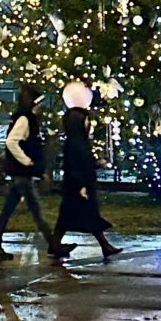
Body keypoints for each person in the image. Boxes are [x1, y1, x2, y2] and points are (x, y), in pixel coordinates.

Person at [0, 85, 62, 260]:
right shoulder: (25, 120)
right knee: (36, 210)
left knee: (8, 211)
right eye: (38, 103)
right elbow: (12, 142)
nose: (40, 106)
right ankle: (53, 245)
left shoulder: (26, 119)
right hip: (23, 174)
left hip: (20, 174)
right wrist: (28, 162)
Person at [52, 81, 122, 263]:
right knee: (87, 217)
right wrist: (82, 185)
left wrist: (96, 163)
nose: (89, 124)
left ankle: (56, 244)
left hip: (77, 186)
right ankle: (105, 246)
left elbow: (83, 162)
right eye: (86, 121)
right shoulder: (76, 143)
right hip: (78, 187)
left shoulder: (77, 141)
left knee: (69, 218)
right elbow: (76, 165)